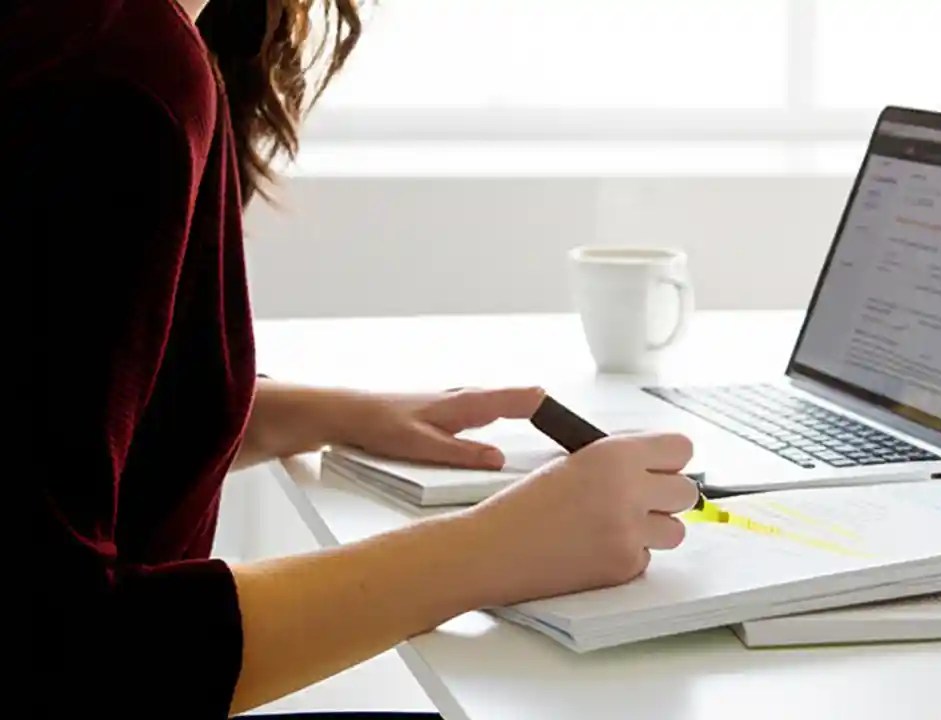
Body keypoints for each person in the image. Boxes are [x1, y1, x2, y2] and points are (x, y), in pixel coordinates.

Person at [8, 1, 698, 717]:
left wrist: (325, 413)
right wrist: (495, 549)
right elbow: (63, 657)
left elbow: (56, 409)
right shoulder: (118, 65)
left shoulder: (126, 40)